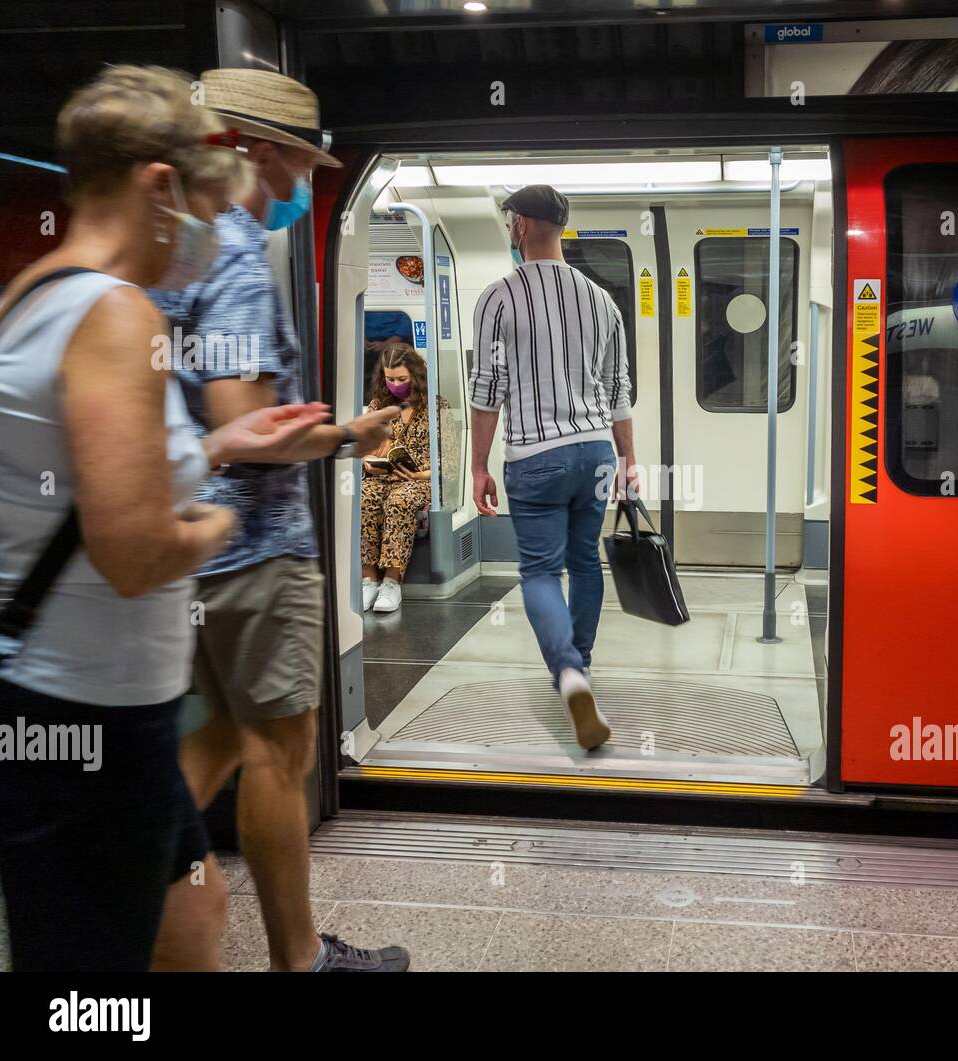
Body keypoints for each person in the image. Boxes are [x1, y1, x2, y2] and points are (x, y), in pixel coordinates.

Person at [0, 65, 332, 972]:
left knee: (191, 914)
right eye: (200, 204)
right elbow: (138, 553)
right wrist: (219, 527)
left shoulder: (32, 294)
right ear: (157, 187)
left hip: (103, 705)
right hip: (86, 719)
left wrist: (220, 449)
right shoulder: (113, 315)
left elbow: (94, 475)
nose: (207, 235)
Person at [147, 67, 408, 973]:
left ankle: (132, 886)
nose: (303, 190)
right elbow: (243, 426)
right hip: (254, 547)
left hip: (198, 542)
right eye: (299, 168)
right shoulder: (231, 257)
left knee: (221, 732)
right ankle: (300, 959)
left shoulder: (174, 251)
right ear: (258, 154)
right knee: (282, 746)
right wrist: (348, 434)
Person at [468, 185, 637, 751]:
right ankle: (580, 669)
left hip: (534, 455)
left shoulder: (498, 298)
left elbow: (488, 389)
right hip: (593, 450)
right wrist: (628, 459)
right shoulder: (602, 300)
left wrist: (477, 466)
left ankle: (566, 672)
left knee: (541, 572)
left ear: (518, 226)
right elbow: (618, 390)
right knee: (585, 562)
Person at [360, 342, 460, 612]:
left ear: (415, 376)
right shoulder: (377, 407)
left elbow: (449, 463)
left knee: (399, 501)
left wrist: (419, 474)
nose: (395, 385)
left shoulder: (437, 408)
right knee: (364, 497)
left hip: (422, 480)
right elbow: (365, 451)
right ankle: (368, 579)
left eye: (401, 379)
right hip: (384, 476)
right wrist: (369, 463)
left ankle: (392, 581)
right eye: (389, 379)